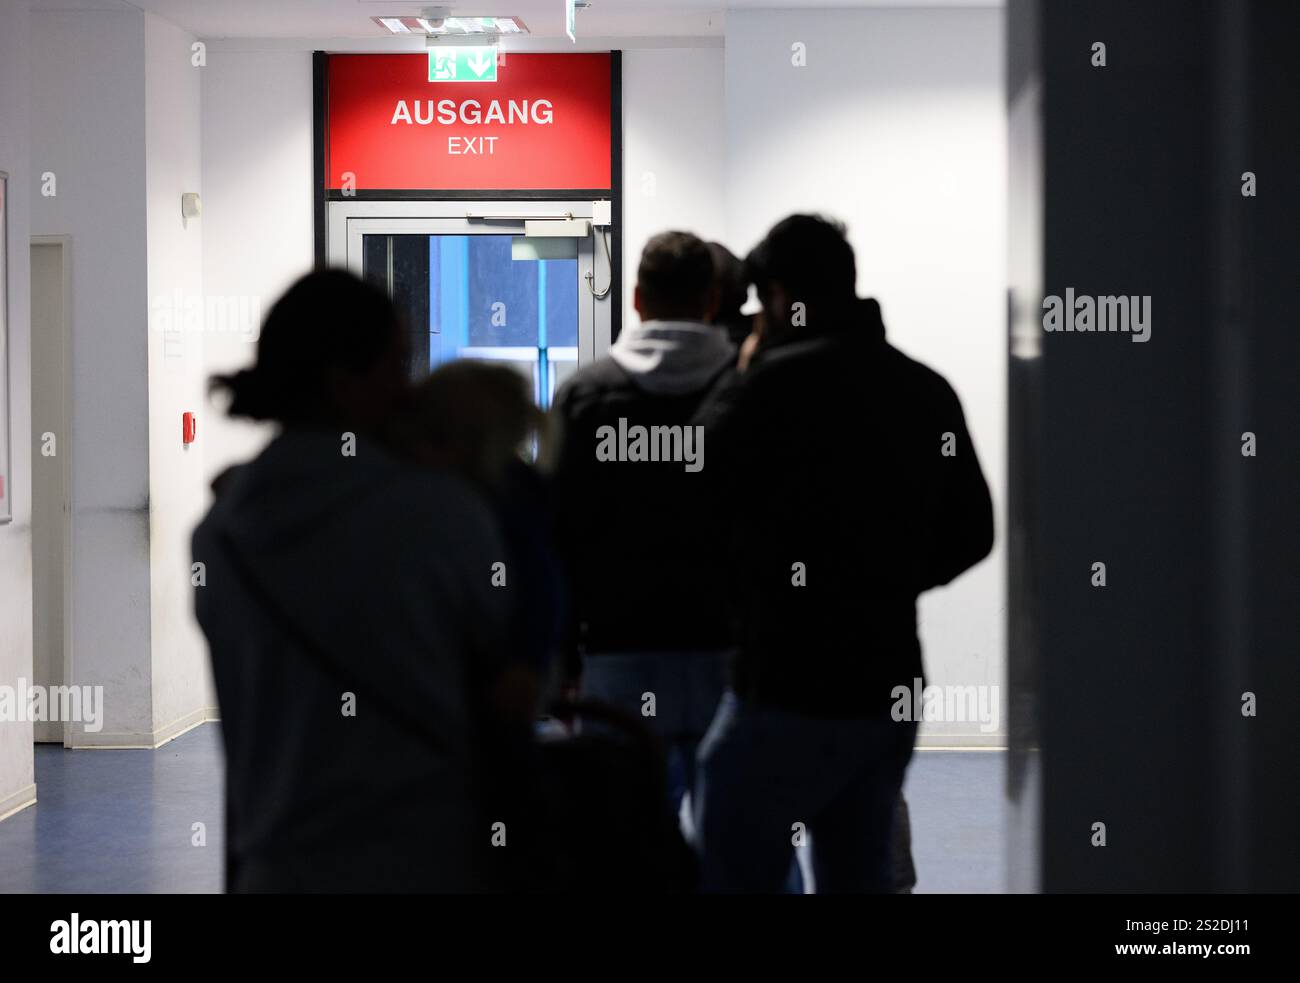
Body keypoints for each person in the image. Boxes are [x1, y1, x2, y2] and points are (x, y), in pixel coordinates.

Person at [693, 215, 994, 892]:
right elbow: (974, 531)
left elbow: (692, 501)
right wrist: (886, 577)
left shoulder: (762, 390)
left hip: (785, 677)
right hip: (887, 677)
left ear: (773, 296)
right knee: (860, 867)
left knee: (731, 853)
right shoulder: (924, 387)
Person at [193, 270, 509, 892]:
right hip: (426, 859)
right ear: (344, 382)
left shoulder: (220, 533)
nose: (409, 387)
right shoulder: (441, 511)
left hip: (277, 867)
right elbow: (505, 672)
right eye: (396, 364)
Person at [551, 230, 736, 816]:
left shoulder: (585, 395)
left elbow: (555, 534)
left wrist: (561, 660)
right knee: (745, 854)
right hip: (729, 652)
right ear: (711, 301)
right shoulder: (746, 389)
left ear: (635, 299)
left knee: (622, 848)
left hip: (616, 654)